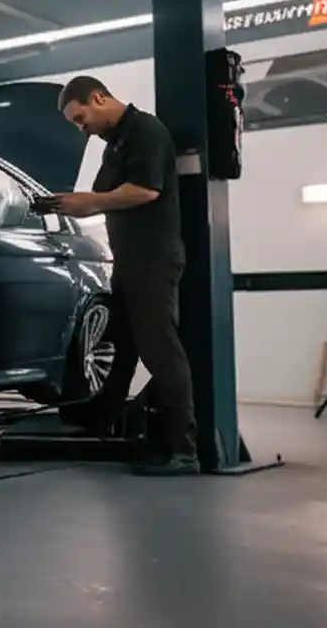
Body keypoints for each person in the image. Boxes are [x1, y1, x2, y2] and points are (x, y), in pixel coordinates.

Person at [47, 76, 200, 476]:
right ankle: (103, 424)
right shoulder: (114, 144)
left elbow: (146, 190)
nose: (82, 129)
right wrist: (76, 203)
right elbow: (109, 197)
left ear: (99, 98)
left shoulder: (146, 131)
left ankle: (183, 450)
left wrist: (91, 202)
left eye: (81, 119)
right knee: (123, 348)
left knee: (160, 353)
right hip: (129, 261)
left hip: (153, 260)